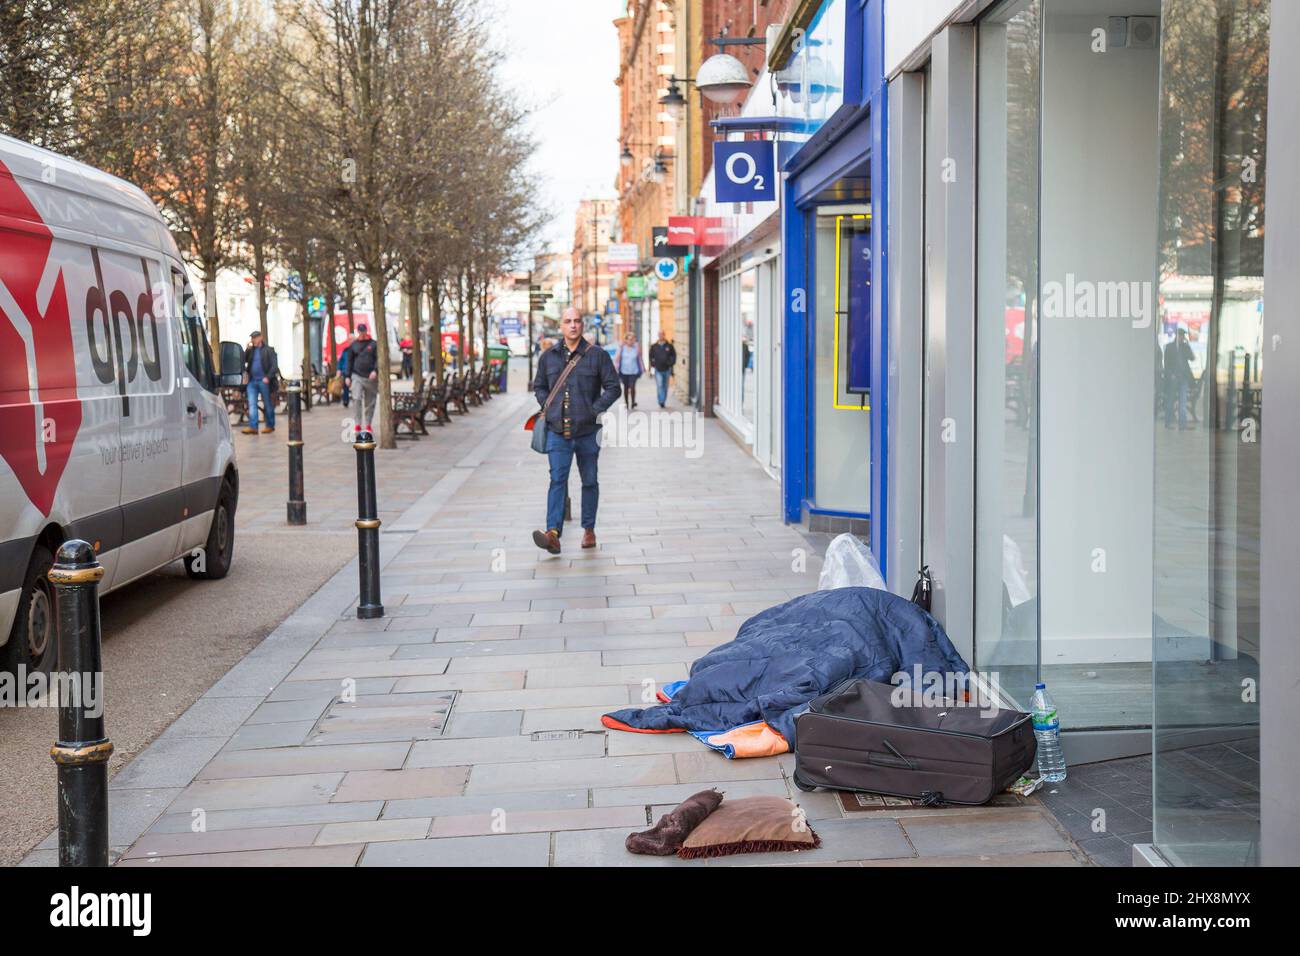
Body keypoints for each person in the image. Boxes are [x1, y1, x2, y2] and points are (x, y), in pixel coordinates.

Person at [531, 308, 620, 554]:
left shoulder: (597, 356)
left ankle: (589, 529)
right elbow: (538, 386)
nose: (573, 325)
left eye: (577, 321)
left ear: (583, 325)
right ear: (561, 325)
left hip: (588, 432)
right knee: (557, 479)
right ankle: (553, 534)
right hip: (557, 431)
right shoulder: (548, 357)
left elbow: (614, 387)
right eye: (568, 321)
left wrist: (594, 410)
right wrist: (547, 406)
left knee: (589, 480)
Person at [344, 322, 380, 435]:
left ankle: (368, 424)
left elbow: (378, 359)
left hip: (370, 377)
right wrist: (347, 376)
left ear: (366, 331)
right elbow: (349, 361)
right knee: (357, 398)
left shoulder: (374, 344)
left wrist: (375, 370)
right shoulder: (353, 345)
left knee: (370, 401)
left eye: (363, 331)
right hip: (357, 376)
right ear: (358, 331)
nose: (361, 333)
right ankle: (358, 424)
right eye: (360, 331)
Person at [241, 329, 279, 435]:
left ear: (260, 338)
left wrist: (268, 377)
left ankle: (270, 425)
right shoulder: (251, 351)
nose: (253, 340)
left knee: (267, 403)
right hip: (252, 381)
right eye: (252, 338)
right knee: (252, 404)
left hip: (264, 381)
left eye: (255, 337)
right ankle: (253, 427)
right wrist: (247, 348)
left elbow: (274, 366)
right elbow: (243, 360)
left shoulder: (269, 350)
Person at [1163, 327, 1196, 430]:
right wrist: (1171, 375)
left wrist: (1188, 344)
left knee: (1183, 401)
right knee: (1170, 400)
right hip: (1174, 378)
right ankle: (1167, 422)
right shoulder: (1169, 347)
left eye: (1183, 336)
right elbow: (1167, 364)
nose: (1182, 337)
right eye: (1181, 335)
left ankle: (1182, 424)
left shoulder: (1185, 347)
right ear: (1177, 336)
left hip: (1184, 378)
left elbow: (1192, 358)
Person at [614, 332, 644, 410]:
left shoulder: (636, 348)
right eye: (629, 339)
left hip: (634, 371)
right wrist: (616, 368)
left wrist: (642, 367)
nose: (631, 341)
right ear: (626, 340)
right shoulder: (622, 348)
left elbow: (640, 358)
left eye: (633, 339)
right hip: (624, 371)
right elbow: (616, 359)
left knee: (633, 386)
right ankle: (626, 403)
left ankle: (633, 402)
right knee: (626, 388)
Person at [648, 330, 676, 408]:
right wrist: (653, 364)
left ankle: (663, 399)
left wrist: (670, 363)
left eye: (662, 334)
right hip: (658, 369)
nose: (661, 336)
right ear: (658, 335)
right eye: (659, 334)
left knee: (665, 385)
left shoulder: (669, 346)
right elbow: (651, 356)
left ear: (664, 335)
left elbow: (673, 356)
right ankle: (661, 401)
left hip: (667, 369)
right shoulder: (654, 346)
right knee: (659, 385)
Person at [338, 338, 352, 407]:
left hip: (355, 372)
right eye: (350, 340)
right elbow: (340, 360)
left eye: (352, 340)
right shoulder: (345, 350)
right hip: (345, 371)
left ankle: (356, 400)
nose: (351, 341)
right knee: (345, 387)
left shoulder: (358, 349)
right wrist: (339, 369)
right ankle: (345, 401)